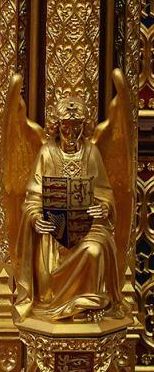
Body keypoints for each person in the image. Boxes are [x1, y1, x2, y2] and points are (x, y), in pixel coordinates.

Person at [14, 97, 122, 321]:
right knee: (48, 269)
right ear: (57, 126)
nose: (71, 133)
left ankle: (89, 305)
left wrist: (103, 208)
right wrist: (36, 218)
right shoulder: (47, 153)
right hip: (54, 230)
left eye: (77, 127)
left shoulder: (91, 153)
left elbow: (105, 193)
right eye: (66, 127)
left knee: (95, 250)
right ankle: (57, 303)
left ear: (84, 126)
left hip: (88, 228)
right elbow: (32, 198)